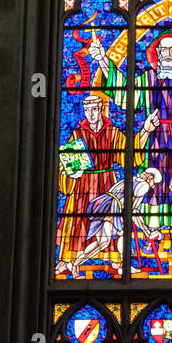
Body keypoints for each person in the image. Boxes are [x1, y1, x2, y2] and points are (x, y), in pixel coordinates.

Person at [89, 30, 172, 237]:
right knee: (152, 183)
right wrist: (103, 60)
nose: (167, 53)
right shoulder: (146, 78)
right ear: (156, 53)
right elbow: (124, 93)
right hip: (154, 138)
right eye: (163, 50)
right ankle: (153, 228)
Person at [56, 92, 129, 267]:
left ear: (102, 110)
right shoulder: (78, 133)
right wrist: (70, 172)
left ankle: (112, 258)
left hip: (106, 182)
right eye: (87, 110)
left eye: (94, 109)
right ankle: (69, 259)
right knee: (77, 220)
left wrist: (146, 131)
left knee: (108, 221)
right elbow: (66, 161)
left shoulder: (113, 132)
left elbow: (129, 155)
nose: (91, 114)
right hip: (83, 183)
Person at [57, 168, 162, 276]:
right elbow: (131, 208)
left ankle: (75, 263)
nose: (153, 187)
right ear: (150, 178)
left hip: (103, 204)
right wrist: (147, 232)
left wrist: (145, 230)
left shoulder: (132, 179)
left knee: (102, 242)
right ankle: (124, 266)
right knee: (121, 235)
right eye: (154, 183)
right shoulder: (143, 186)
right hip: (114, 209)